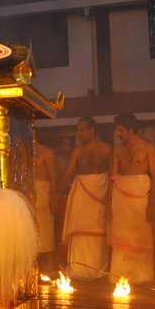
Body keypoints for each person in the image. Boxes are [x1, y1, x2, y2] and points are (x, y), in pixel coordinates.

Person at [109, 113, 155, 284]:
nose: (118, 134)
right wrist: (110, 204)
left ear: (130, 130)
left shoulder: (147, 148)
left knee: (140, 234)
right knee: (121, 235)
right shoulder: (118, 150)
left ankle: (140, 276)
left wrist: (153, 202)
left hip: (140, 196)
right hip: (121, 197)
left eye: (120, 130)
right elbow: (113, 177)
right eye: (117, 130)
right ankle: (121, 275)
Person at [62, 117, 111, 279]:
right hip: (82, 192)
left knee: (98, 228)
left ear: (92, 130)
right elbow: (69, 173)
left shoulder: (106, 149)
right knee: (80, 228)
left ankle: (97, 269)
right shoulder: (77, 151)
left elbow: (112, 174)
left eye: (82, 129)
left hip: (101, 190)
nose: (79, 133)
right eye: (78, 130)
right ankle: (78, 268)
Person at [34, 136, 57, 272]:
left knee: (46, 234)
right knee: (33, 233)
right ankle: (35, 271)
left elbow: (53, 178)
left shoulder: (47, 152)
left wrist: (52, 197)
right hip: (30, 194)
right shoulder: (24, 152)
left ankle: (49, 269)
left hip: (43, 192)